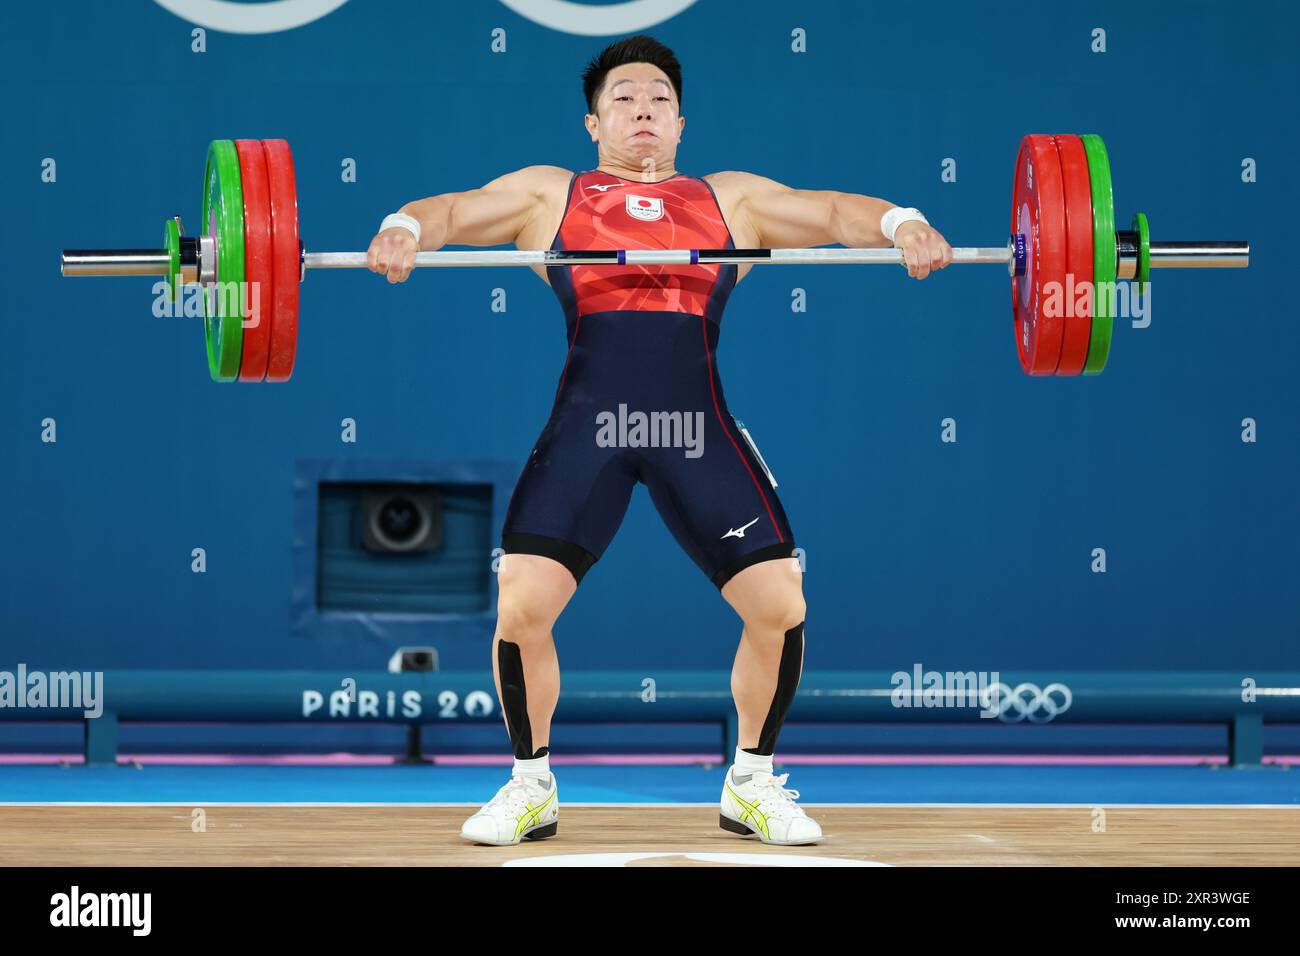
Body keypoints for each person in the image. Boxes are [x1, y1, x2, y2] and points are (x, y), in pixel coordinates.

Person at [366, 35, 952, 846]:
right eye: (623, 99)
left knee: (780, 604)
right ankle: (530, 785)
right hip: (591, 428)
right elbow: (456, 212)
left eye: (658, 100)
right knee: (522, 605)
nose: (642, 110)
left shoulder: (731, 202)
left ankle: (751, 781)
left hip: (693, 426)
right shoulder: (550, 195)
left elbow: (827, 212)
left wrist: (902, 221)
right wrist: (402, 227)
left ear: (681, 122)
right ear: (592, 121)